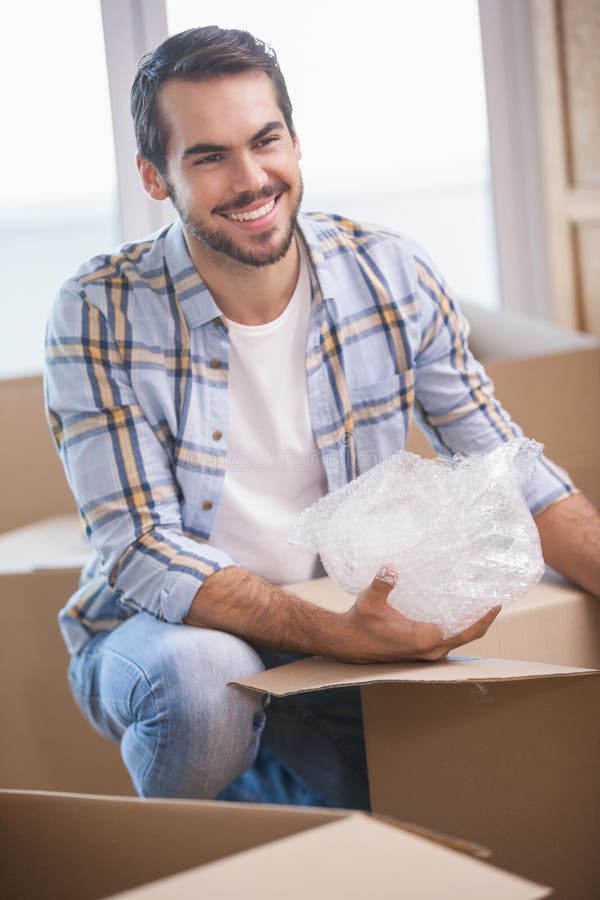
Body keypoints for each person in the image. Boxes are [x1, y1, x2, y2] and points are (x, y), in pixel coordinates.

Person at [44, 26, 600, 808]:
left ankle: (278, 780)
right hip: (169, 632)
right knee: (203, 693)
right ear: (154, 175)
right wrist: (343, 639)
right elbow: (141, 549)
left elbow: (508, 467)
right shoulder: (99, 309)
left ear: (296, 140)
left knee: (414, 802)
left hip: (342, 613)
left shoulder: (390, 271)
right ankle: (189, 844)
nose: (251, 179)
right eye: (209, 157)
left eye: (265, 140)